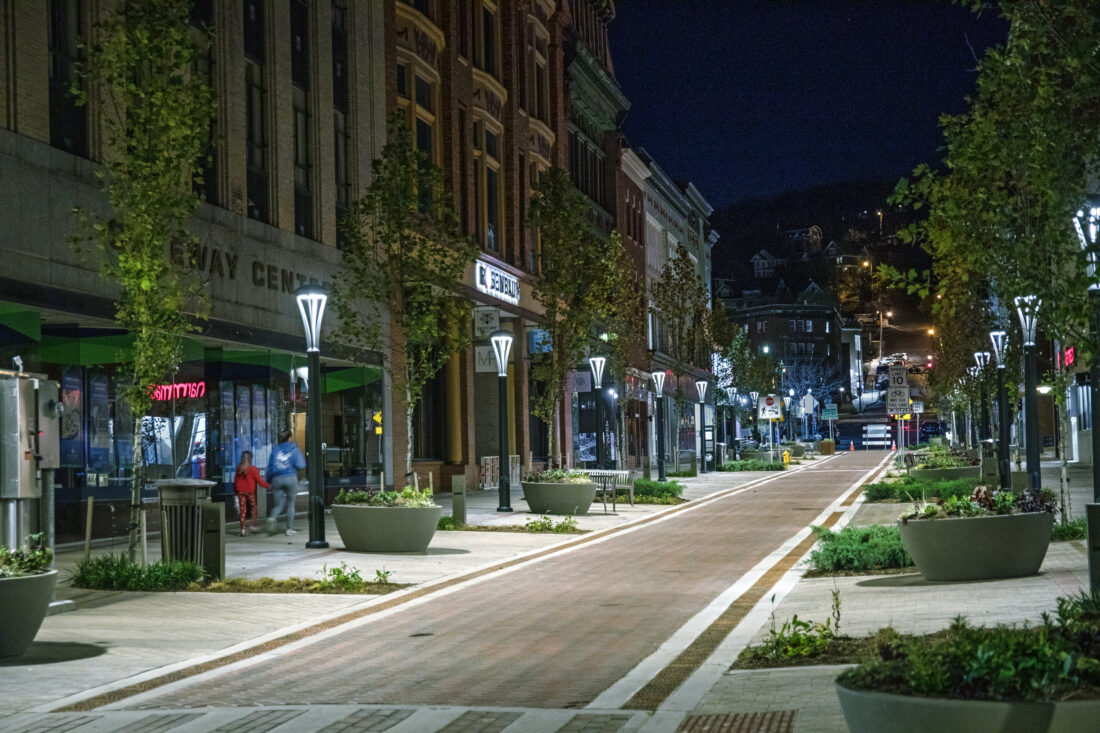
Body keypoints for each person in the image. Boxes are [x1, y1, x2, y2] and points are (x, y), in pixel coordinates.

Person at [266, 430, 306, 536]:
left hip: (277, 479)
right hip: (290, 477)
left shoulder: (275, 451)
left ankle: (272, 517)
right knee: (290, 504)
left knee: (278, 504)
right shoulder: (294, 449)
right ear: (289, 438)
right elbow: (301, 464)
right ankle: (289, 529)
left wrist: (269, 481)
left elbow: (269, 468)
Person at [233, 451, 269, 537]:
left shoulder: (238, 469)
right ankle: (253, 525)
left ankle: (243, 530)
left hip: (240, 493)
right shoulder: (253, 469)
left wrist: (235, 493)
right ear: (251, 459)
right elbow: (260, 482)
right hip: (250, 493)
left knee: (243, 511)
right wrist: (268, 485)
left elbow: (235, 482)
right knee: (253, 508)